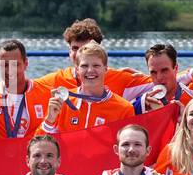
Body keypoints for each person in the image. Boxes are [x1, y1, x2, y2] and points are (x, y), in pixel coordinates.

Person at [33, 18, 161, 113]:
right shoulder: (55, 80)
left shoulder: (120, 78)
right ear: (69, 51)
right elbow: (22, 90)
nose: (80, 53)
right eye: (75, 48)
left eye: (86, 48)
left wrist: (146, 75)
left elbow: (168, 81)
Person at [36, 41, 135, 135]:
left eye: (96, 65)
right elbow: (39, 147)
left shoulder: (124, 109)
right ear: (77, 70)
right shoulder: (62, 102)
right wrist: (49, 120)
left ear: (106, 69)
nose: (90, 70)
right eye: (84, 66)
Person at [0, 39, 53, 139]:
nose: (9, 71)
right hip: (0, 153)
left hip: (33, 153)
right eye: (5, 65)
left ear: (26, 64)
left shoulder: (46, 94)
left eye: (15, 65)